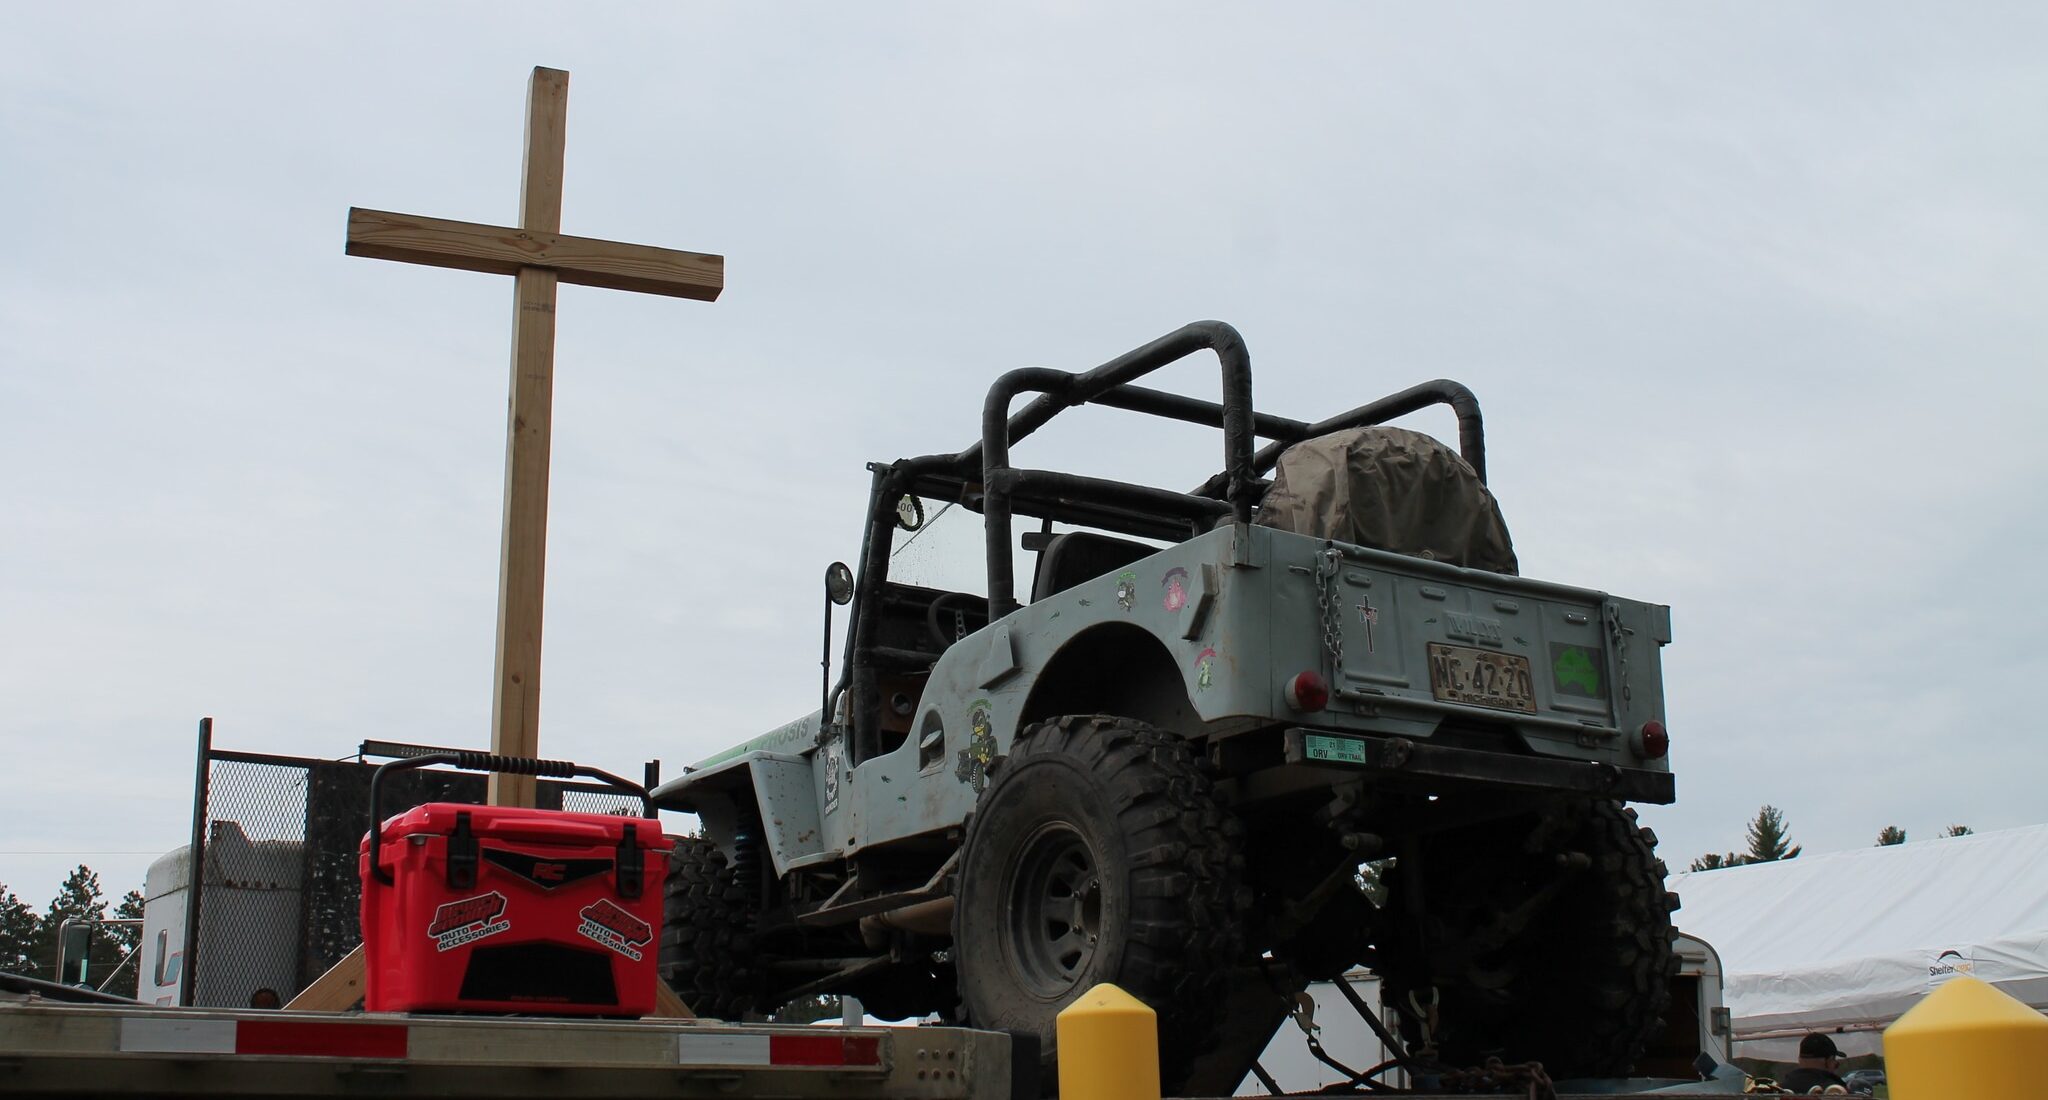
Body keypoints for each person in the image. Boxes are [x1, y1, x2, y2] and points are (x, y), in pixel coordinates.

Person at [1780, 1032, 1848, 1093]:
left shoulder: (1780, 1090)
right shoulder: (1837, 1091)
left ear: (1799, 1059)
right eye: (1835, 1063)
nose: (1835, 1067)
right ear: (1829, 1060)